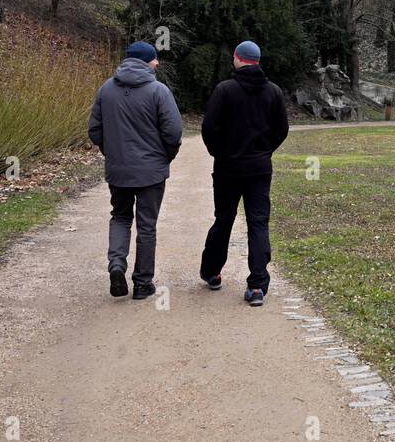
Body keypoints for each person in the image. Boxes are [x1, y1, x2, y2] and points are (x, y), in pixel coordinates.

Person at [88, 41, 183, 300]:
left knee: (120, 217)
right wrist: (165, 157)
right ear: (145, 62)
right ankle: (142, 283)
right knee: (146, 226)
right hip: (151, 172)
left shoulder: (106, 89)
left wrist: (112, 153)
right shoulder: (159, 91)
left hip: (118, 171)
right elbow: (173, 133)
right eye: (154, 59)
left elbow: (94, 131)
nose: (158, 63)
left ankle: (116, 265)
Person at [199, 40, 289, 305]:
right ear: (258, 61)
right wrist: (265, 151)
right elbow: (281, 129)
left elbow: (209, 128)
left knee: (223, 219)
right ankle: (257, 285)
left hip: (228, 168)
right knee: (258, 222)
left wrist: (220, 152)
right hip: (259, 169)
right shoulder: (273, 92)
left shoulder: (225, 90)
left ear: (237, 59)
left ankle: (212, 271)